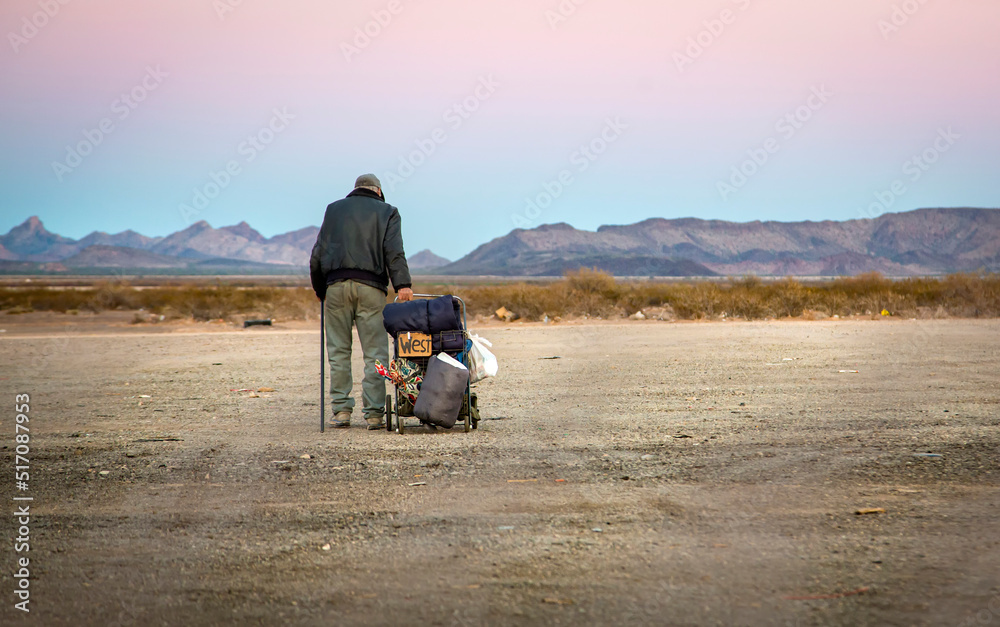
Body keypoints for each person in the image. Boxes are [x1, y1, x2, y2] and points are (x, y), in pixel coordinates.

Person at [310, 173, 414, 429]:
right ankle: (374, 414)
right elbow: (394, 251)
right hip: (371, 289)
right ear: (378, 191)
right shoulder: (388, 211)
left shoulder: (333, 210)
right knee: (375, 354)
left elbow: (318, 252)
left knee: (338, 352)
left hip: (335, 287)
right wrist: (402, 284)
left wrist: (320, 288)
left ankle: (342, 412)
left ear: (355, 190)